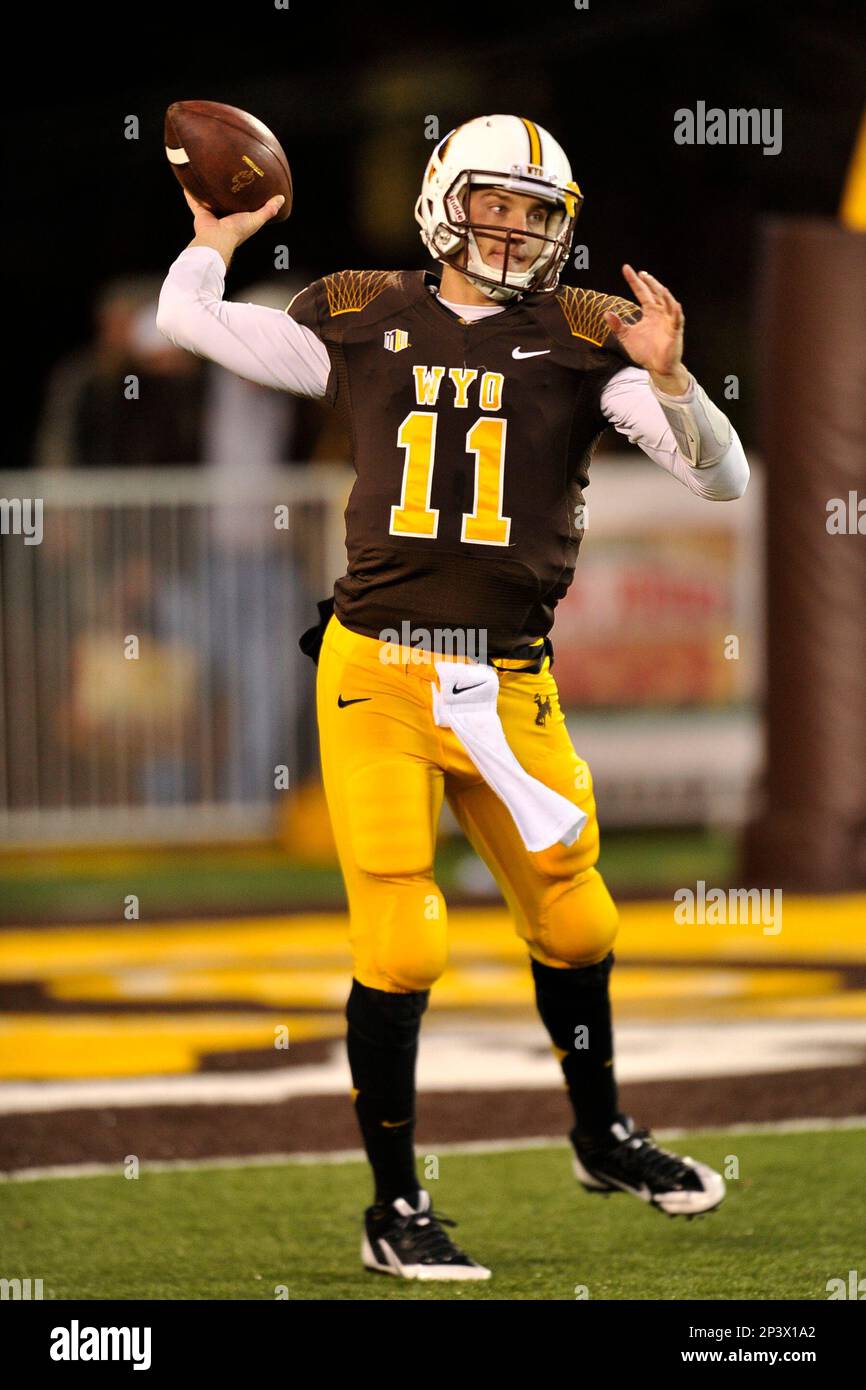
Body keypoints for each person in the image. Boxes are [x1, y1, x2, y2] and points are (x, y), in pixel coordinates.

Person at [157, 114, 749, 1282]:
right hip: (375, 671)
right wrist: (214, 238)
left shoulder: (584, 337)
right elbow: (186, 320)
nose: (514, 227)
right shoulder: (360, 310)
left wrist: (673, 379)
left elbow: (718, 478)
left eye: (537, 213)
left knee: (577, 920)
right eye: (496, 202)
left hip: (507, 678)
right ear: (444, 200)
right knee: (404, 938)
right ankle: (393, 1208)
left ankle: (601, 1134)